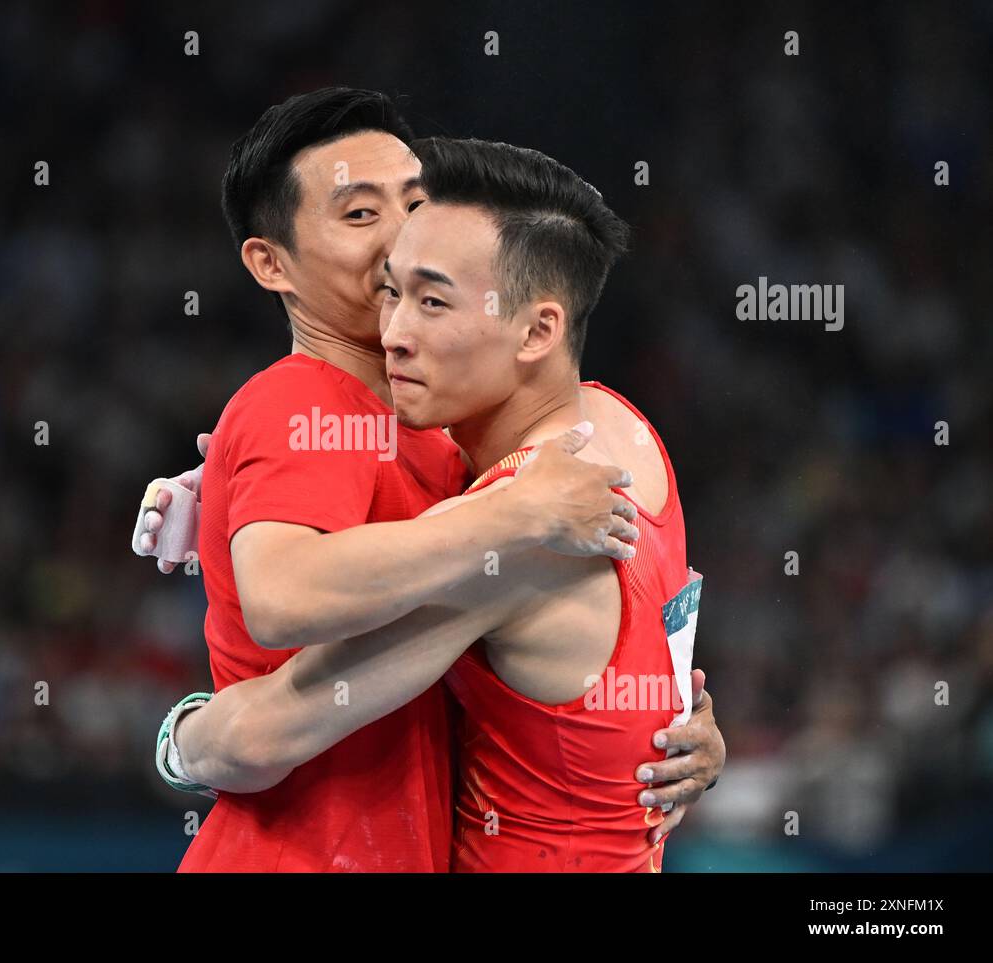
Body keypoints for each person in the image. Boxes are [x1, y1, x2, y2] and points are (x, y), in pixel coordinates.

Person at [141, 89, 724, 871]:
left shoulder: (466, 456)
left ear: (537, 326)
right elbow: (280, 608)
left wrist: (678, 718)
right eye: (358, 214)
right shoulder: (602, 440)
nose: (395, 239)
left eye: (412, 202)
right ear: (269, 261)